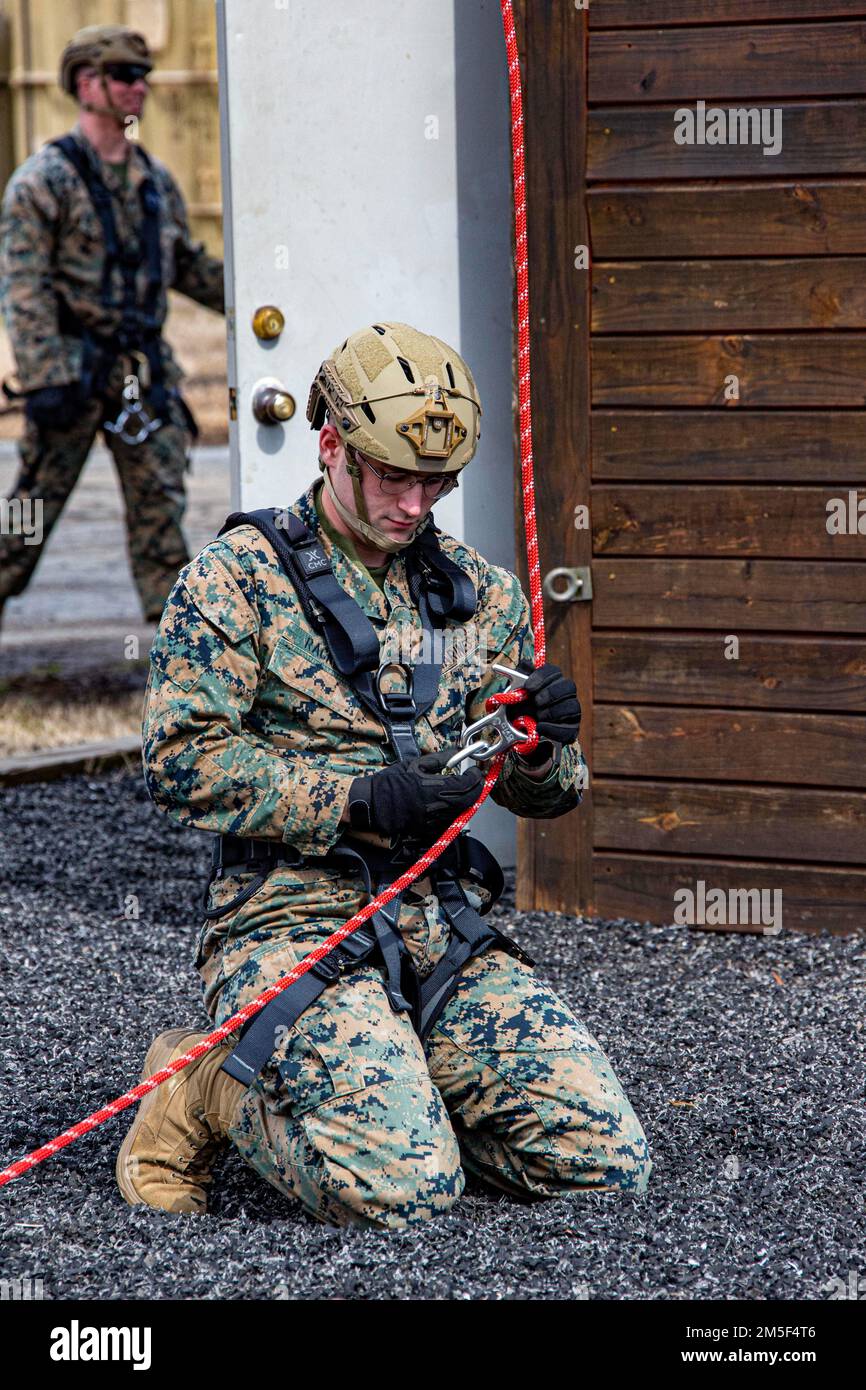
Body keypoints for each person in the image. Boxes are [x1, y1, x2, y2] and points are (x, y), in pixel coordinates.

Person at [117, 322, 651, 1229]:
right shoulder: (238, 581)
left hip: (437, 920)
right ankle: (206, 1083)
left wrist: (543, 748)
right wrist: (354, 799)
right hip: (290, 918)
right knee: (401, 1195)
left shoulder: (476, 593)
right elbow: (179, 761)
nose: (416, 504)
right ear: (333, 447)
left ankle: (400, 1096)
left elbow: (553, 795)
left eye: (435, 484)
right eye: (395, 478)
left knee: (604, 1166)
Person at [0, 24, 225, 635]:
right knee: (23, 521)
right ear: (86, 83)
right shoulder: (43, 182)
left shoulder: (154, 181)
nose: (139, 88)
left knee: (161, 523)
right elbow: (25, 289)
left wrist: (262, 299)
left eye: (143, 76)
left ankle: (177, 666)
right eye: (125, 75)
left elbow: (185, 267)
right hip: (69, 378)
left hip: (141, 382)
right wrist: (47, 379)